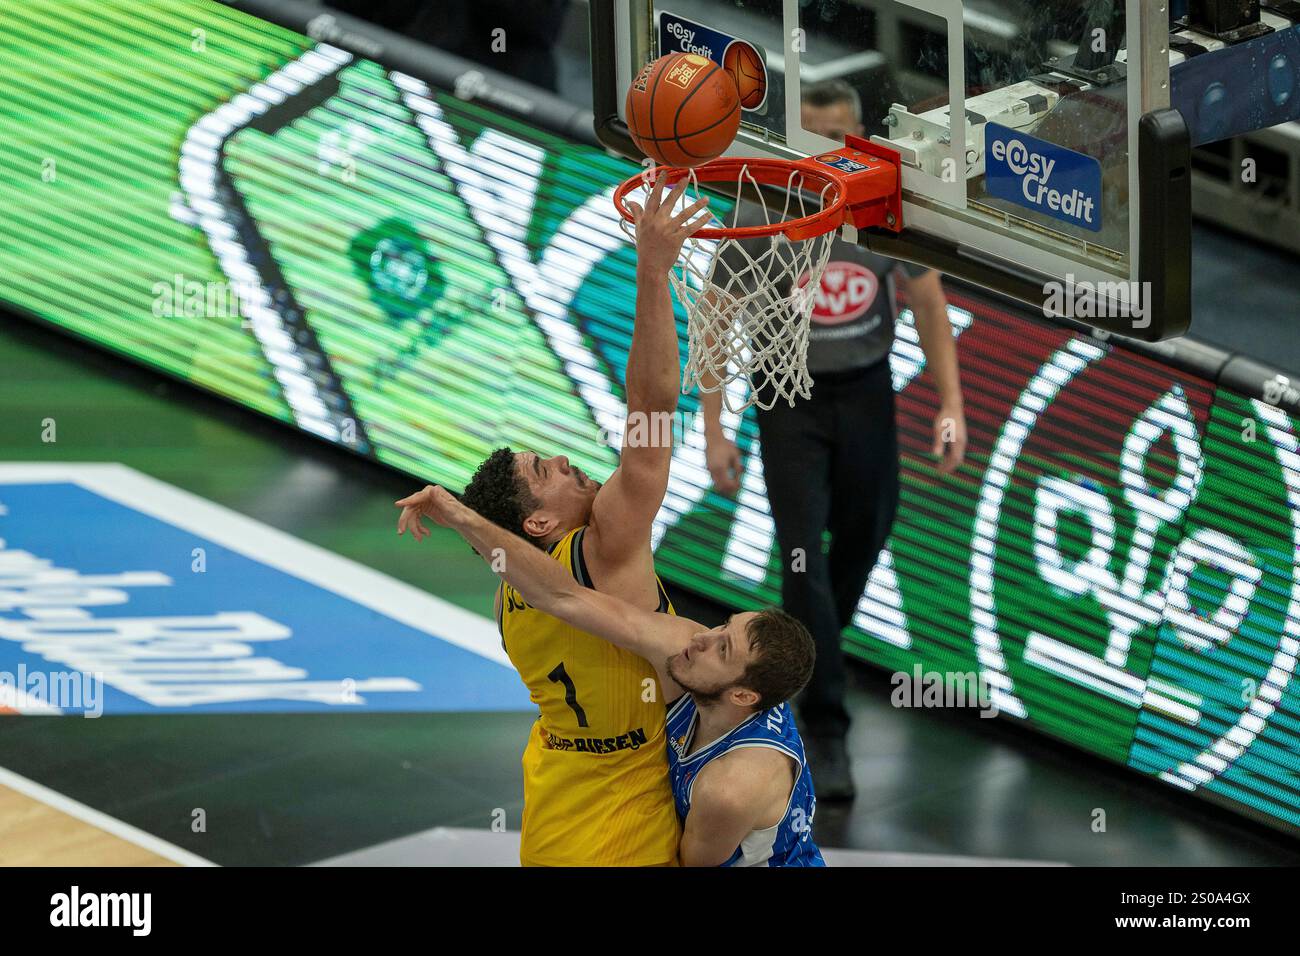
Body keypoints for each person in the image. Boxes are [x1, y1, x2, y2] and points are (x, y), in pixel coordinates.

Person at [396, 176, 708, 866]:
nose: (567, 461)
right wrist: (653, 273)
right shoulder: (605, 548)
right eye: (547, 472)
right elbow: (653, 409)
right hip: (619, 822)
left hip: (554, 801)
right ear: (538, 526)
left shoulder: (511, 591)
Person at [701, 79, 968, 800]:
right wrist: (715, 427)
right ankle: (825, 725)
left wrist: (951, 403)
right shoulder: (762, 210)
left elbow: (928, 298)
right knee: (801, 558)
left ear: (857, 136)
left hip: (866, 391)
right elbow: (716, 316)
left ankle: (800, 655)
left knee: (869, 528)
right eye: (812, 135)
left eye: (836, 135)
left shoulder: (882, 204)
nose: (825, 149)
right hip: (786, 397)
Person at [399, 483, 826, 867]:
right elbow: (562, 596)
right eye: (722, 626)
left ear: (743, 697)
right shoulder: (690, 650)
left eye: (723, 647)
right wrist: (459, 516)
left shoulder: (730, 788)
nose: (703, 638)